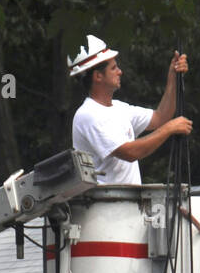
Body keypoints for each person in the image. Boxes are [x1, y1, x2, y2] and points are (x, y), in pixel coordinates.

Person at [69, 33, 193, 184]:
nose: (120, 71)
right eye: (114, 68)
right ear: (98, 76)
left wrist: (173, 76)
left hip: (123, 204)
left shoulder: (119, 108)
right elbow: (130, 152)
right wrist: (169, 129)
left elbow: (161, 117)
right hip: (105, 205)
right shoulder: (88, 114)